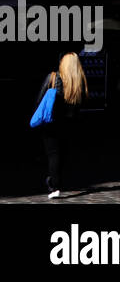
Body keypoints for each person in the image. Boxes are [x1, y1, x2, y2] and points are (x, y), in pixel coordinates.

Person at [35, 53, 86, 199]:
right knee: (62, 154)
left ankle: (55, 186)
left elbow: (39, 99)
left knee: (53, 154)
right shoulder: (79, 82)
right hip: (69, 123)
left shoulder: (53, 77)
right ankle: (54, 180)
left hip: (51, 123)